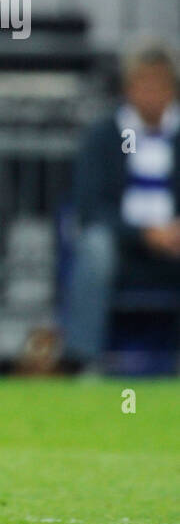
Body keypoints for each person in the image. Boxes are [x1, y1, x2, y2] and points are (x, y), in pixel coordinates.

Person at [62, 42, 180, 369]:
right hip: (122, 246)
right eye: (144, 83)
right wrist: (144, 233)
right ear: (129, 88)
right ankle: (83, 362)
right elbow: (90, 208)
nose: (152, 93)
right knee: (94, 246)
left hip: (174, 246)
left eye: (160, 84)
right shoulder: (104, 135)